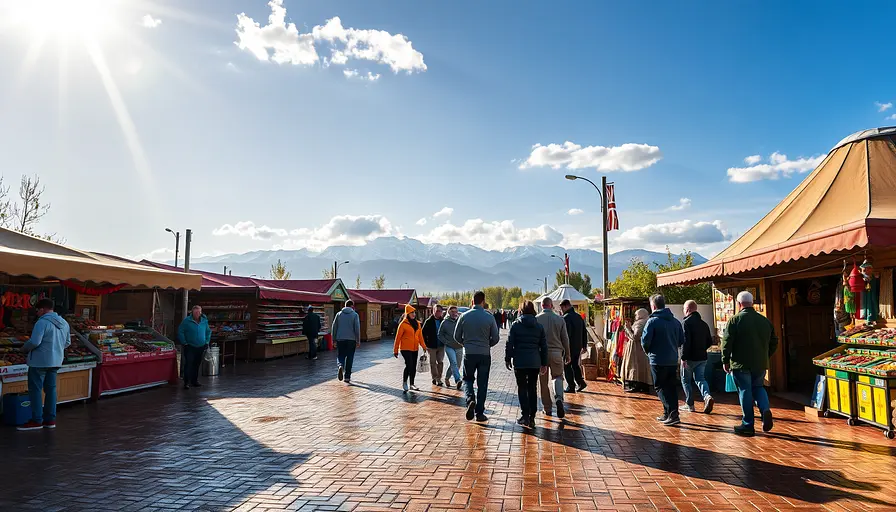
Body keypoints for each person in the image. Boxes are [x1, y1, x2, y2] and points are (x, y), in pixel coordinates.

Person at [722, 291, 778, 436]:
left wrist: (725, 360)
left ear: (739, 304)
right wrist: (766, 355)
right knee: (758, 387)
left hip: (740, 364)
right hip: (760, 363)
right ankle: (765, 409)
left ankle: (748, 424)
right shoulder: (765, 321)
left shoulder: (734, 320)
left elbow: (727, 343)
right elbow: (774, 342)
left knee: (745, 391)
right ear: (752, 303)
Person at [18, 299, 70, 431]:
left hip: (39, 362)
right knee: (51, 390)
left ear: (42, 309)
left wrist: (24, 349)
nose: (37, 313)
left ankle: (37, 420)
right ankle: (50, 420)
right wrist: (56, 349)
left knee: (35, 391)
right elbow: (67, 342)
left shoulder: (42, 322)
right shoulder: (64, 323)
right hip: (56, 361)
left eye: (37, 310)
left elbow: (35, 342)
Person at [455, 291, 500, 422]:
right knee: (482, 383)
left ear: (472, 301)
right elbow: (496, 337)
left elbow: (456, 336)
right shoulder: (489, 317)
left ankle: (470, 399)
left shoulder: (464, 316)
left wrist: (465, 344)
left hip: (469, 353)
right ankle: (480, 412)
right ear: (483, 301)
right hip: (484, 354)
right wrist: (487, 344)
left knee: (468, 379)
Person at [641, 294, 684, 426]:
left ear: (653, 306)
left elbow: (645, 341)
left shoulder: (652, 321)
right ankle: (668, 413)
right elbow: (681, 340)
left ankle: (673, 414)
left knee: (660, 387)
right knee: (670, 387)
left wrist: (649, 353)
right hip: (672, 359)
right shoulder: (675, 322)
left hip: (657, 359)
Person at [506, 300, 548, 428]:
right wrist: (544, 363)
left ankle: (525, 415)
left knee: (522, 388)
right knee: (532, 388)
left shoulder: (515, 325)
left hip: (520, 361)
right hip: (534, 361)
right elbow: (544, 346)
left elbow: (509, 343)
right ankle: (532, 416)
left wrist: (508, 358)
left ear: (521, 310)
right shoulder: (539, 326)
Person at [536, 297, 571, 418]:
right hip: (557, 353)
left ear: (542, 306)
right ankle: (559, 398)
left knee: (543, 382)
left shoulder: (537, 319)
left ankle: (547, 408)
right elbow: (565, 338)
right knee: (558, 377)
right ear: (551, 306)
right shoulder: (560, 319)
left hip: (541, 355)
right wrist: (568, 354)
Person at [681, 300, 714, 414]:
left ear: (687, 310)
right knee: (700, 379)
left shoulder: (686, 323)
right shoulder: (703, 324)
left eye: (684, 309)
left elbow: (685, 342)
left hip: (689, 358)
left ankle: (690, 404)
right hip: (702, 357)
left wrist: (683, 357)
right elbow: (710, 341)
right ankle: (707, 396)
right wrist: (701, 348)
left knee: (685, 380)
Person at [393, 304, 426, 392]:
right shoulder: (403, 324)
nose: (413, 314)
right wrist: (395, 350)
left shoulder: (418, 324)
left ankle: (412, 384)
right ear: (407, 313)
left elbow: (420, 337)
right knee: (409, 365)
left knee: (413, 366)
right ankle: (404, 382)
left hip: (415, 348)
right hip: (405, 348)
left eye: (414, 312)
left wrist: (424, 346)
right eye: (411, 313)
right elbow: (397, 338)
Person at [177, 305, 212, 390]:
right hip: (190, 346)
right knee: (189, 363)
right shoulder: (186, 321)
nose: (198, 313)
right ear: (192, 312)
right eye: (196, 312)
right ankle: (186, 382)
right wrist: (184, 342)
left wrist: (207, 342)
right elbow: (180, 331)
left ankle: (194, 380)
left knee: (197, 364)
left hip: (201, 346)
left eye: (199, 312)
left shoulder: (204, 321)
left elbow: (208, 332)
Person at [622, 309, 653, 393]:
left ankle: (636, 385)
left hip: (636, 348)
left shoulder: (639, 323)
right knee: (642, 367)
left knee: (635, 366)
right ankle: (643, 385)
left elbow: (635, 337)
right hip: (643, 349)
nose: (635, 317)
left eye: (636, 315)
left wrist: (628, 328)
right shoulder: (647, 321)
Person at [560, 300, 588, 393]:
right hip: (578, 346)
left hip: (569, 346)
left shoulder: (566, 318)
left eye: (562, 308)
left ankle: (571, 386)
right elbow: (584, 332)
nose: (562, 310)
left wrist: (563, 346)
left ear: (565, 306)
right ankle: (580, 382)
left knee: (567, 365)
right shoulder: (579, 317)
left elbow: (566, 334)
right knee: (575, 365)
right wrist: (584, 345)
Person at [332, 300, 361, 384]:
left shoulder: (338, 314)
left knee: (341, 355)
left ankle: (340, 366)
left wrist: (334, 339)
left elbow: (334, 327)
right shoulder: (355, 315)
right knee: (350, 357)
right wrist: (358, 340)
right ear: (352, 306)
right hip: (351, 340)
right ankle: (347, 377)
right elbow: (357, 328)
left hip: (340, 339)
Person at [439, 306, 464, 389]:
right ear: (449, 312)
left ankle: (447, 377)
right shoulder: (444, 322)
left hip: (459, 346)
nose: (454, 313)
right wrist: (446, 342)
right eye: (452, 311)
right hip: (449, 347)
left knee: (457, 364)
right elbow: (440, 335)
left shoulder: (459, 321)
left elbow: (463, 332)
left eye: (455, 311)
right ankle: (458, 380)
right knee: (454, 363)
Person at [422, 305, 446, 386]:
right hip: (431, 346)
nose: (438, 312)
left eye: (439, 311)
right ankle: (434, 377)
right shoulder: (428, 321)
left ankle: (439, 378)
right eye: (436, 310)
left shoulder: (443, 321)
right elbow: (423, 333)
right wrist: (426, 344)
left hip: (441, 345)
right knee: (432, 362)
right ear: (433, 311)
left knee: (440, 362)